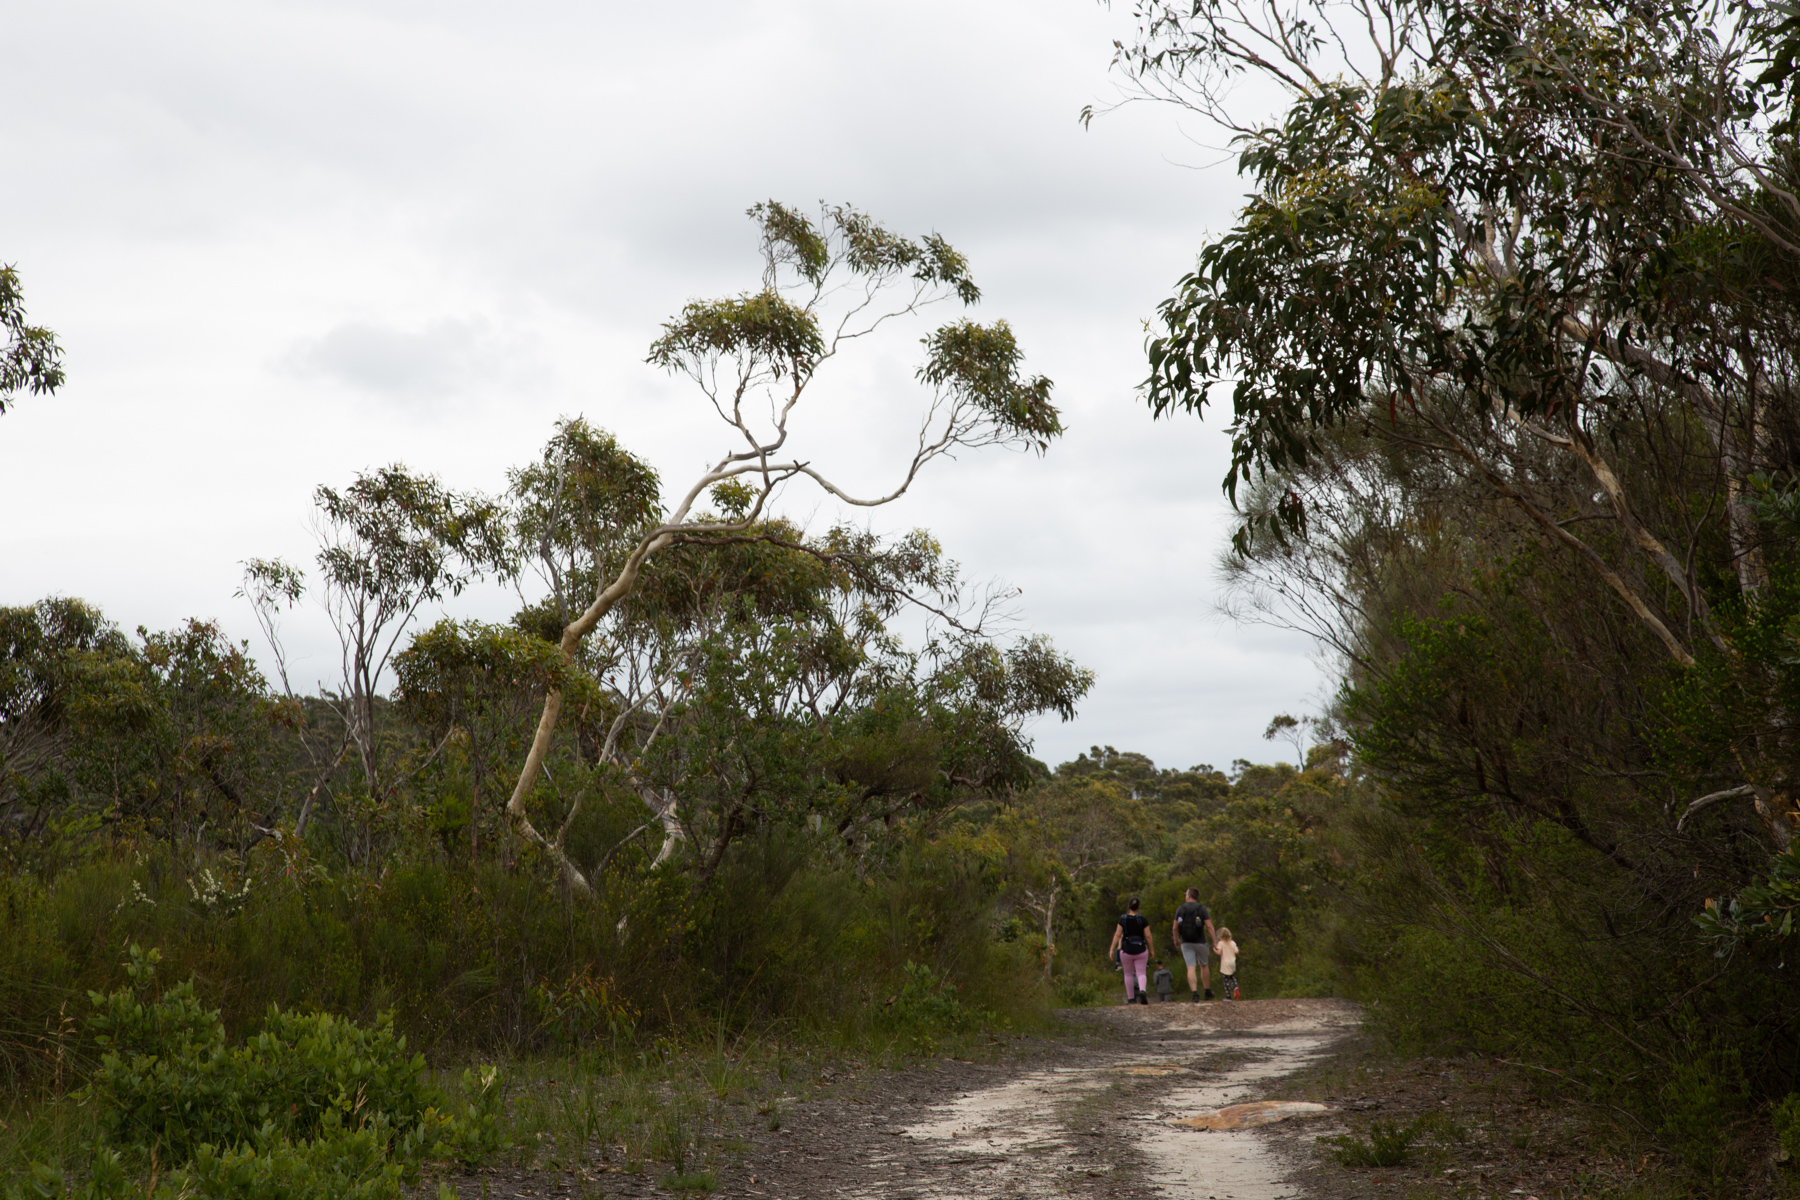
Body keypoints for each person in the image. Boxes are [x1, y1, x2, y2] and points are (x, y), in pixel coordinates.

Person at [1171, 886, 1217, 1001]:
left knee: (1190, 967)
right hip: (1200, 941)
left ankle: (1194, 993)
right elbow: (1209, 926)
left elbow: (1175, 927)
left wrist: (1176, 940)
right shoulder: (1202, 908)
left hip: (1186, 942)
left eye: (1186, 894)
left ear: (1189, 896)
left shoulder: (1180, 909)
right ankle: (1207, 991)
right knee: (1204, 965)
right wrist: (1214, 941)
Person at [1107, 896, 1154, 1006]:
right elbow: (1148, 936)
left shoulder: (1123, 919)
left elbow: (1118, 934)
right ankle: (1142, 990)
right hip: (1141, 950)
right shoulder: (1143, 920)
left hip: (1126, 951)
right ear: (1138, 907)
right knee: (1141, 973)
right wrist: (1151, 949)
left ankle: (1131, 998)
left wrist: (1111, 949)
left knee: (1128, 974)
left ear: (1128, 907)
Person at [1215, 927, 1242, 1000]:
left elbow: (1219, 952)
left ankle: (1228, 996)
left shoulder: (1221, 943)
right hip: (1232, 962)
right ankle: (1235, 987)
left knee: (1226, 979)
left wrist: (1214, 949)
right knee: (1232, 977)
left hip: (1225, 963)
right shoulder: (1232, 943)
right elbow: (1236, 951)